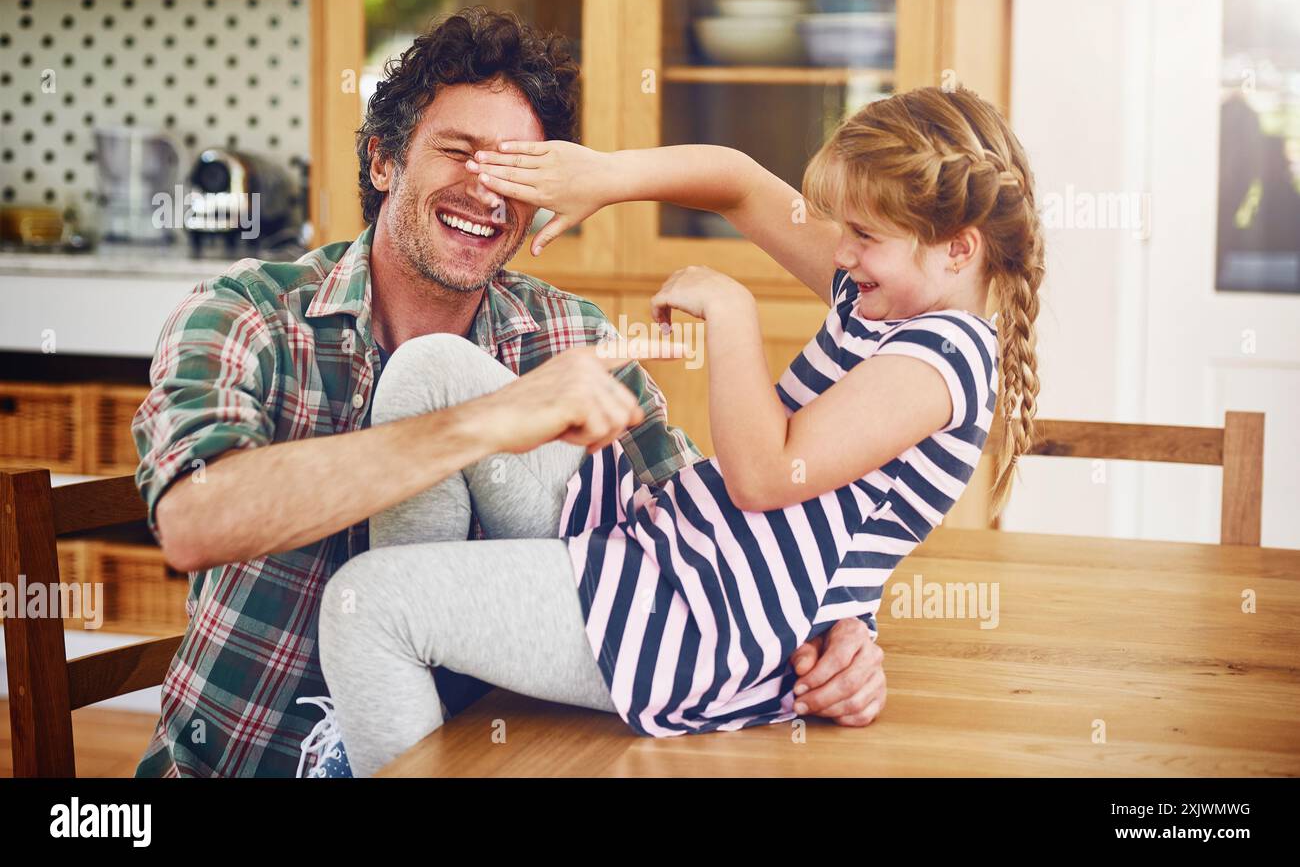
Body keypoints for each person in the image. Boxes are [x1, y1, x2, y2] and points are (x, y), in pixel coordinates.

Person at [131, 8, 887, 778]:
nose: (486, 190)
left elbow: (700, 536)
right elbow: (193, 519)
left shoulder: (568, 335)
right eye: (458, 152)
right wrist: (486, 421)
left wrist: (841, 632)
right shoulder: (249, 313)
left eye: (518, 168)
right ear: (384, 160)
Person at [312, 84, 1046, 776]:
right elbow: (738, 182)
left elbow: (764, 476)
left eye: (863, 233)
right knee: (431, 369)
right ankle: (430, 687)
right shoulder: (886, 294)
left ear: (959, 247)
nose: (842, 252)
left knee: (367, 604)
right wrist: (605, 175)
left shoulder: (939, 358)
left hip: (695, 617)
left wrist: (732, 312)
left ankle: (396, 680)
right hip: (663, 539)